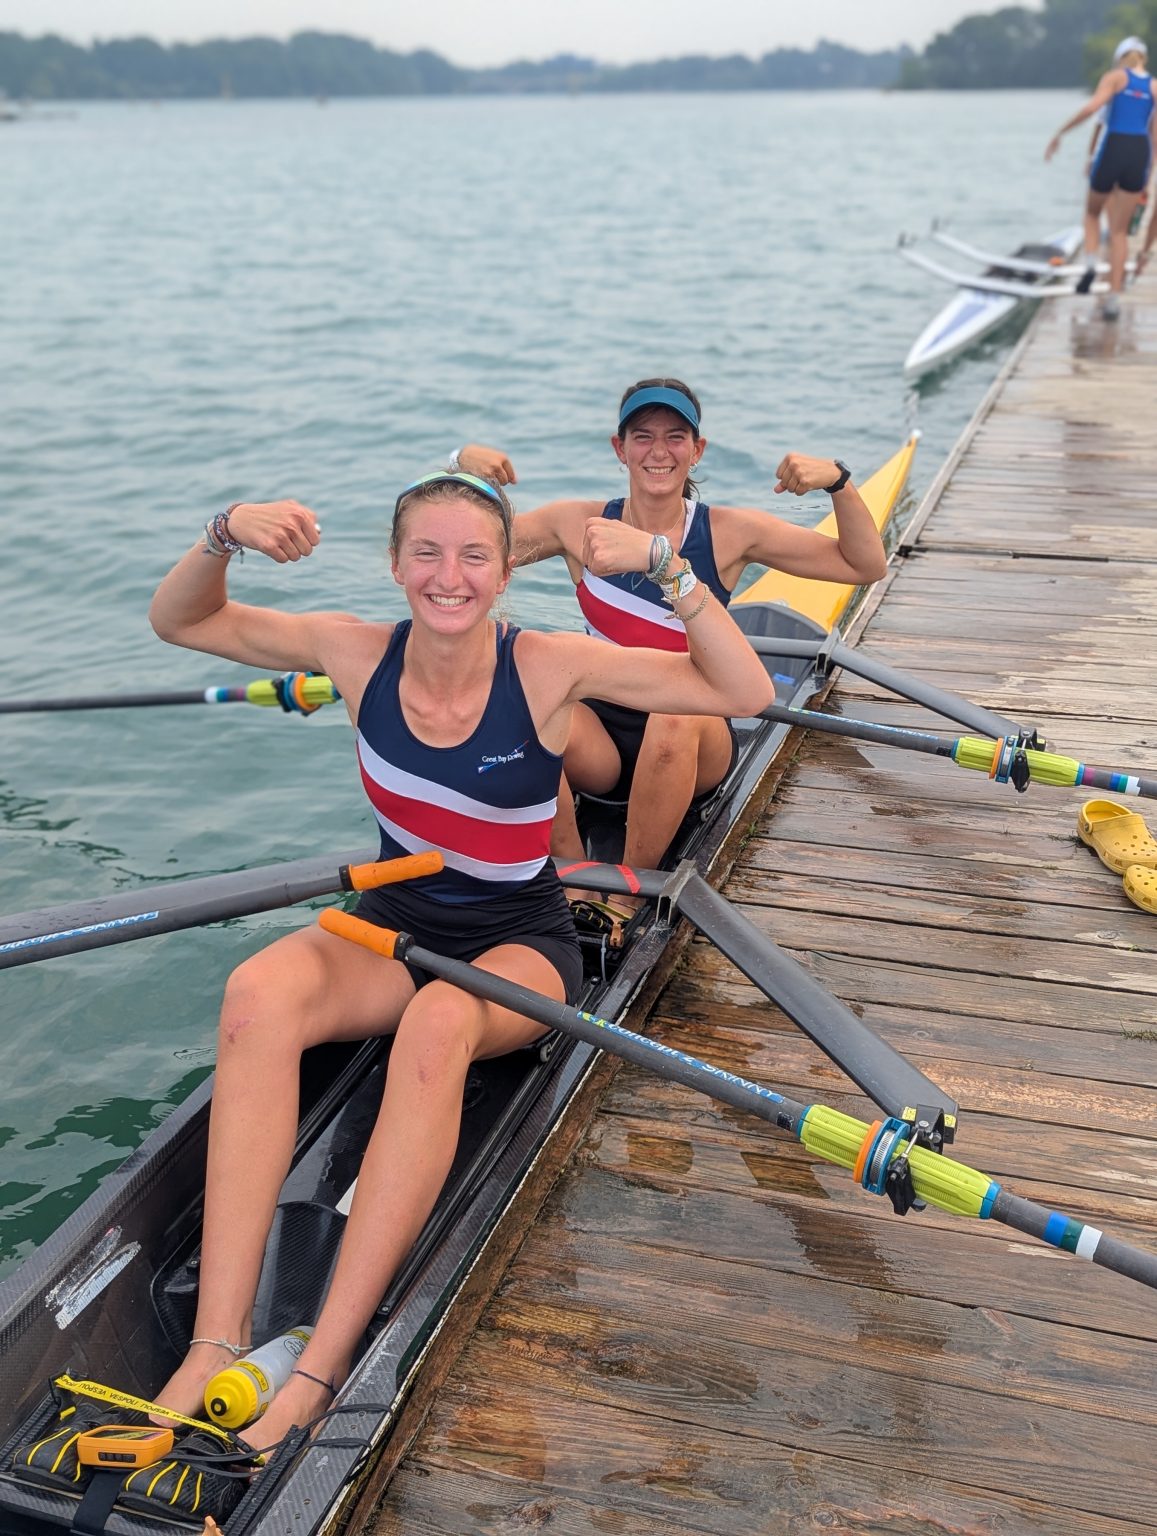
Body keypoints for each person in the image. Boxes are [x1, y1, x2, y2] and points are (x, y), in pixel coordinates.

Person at [145, 470, 772, 1455]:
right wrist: (222, 531)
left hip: (519, 940)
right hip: (392, 919)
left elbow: (743, 691)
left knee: (441, 1020)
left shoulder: (550, 666)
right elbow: (180, 621)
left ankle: (317, 1367)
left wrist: (665, 567)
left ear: (502, 568)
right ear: (397, 567)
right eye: (426, 554)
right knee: (255, 993)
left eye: (473, 554)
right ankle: (214, 1339)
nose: (450, 576)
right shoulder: (349, 649)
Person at [457, 378, 887, 931]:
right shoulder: (577, 525)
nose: (658, 451)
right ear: (620, 449)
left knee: (675, 712)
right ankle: (567, 877)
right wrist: (464, 473)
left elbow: (863, 566)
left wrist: (840, 482)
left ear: (697, 450)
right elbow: (469, 557)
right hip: (602, 744)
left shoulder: (729, 533)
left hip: (693, 735)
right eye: (642, 437)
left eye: (675, 437)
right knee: (529, 701)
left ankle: (629, 893)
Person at [1046, 36, 1156, 318]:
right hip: (1139, 154)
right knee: (1120, 232)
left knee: (1092, 213)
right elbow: (1154, 136)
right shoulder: (1154, 86)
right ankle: (1113, 299)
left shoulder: (1115, 78)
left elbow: (1092, 109)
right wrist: (1147, 174)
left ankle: (1092, 263)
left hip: (1114, 147)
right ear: (1144, 58)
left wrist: (1060, 132)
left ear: (1121, 58)